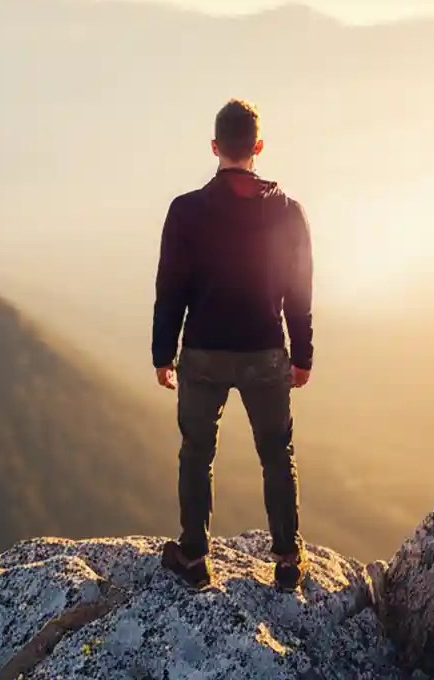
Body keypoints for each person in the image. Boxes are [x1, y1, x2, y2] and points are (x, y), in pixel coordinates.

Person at [151, 99, 314, 591]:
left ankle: (194, 557)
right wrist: (302, 355)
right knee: (276, 453)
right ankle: (286, 562)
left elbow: (170, 289)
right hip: (266, 352)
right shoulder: (288, 212)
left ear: (215, 146)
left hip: (201, 354)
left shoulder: (185, 211)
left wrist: (164, 355)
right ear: (258, 147)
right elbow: (299, 290)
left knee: (197, 453)